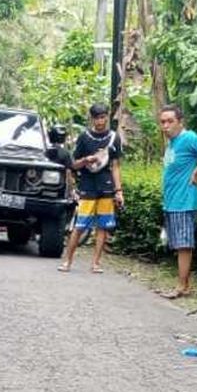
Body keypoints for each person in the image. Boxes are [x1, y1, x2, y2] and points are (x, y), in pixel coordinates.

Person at [158, 104, 197, 298]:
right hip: (173, 200)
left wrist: (196, 171)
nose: (166, 126)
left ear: (180, 122)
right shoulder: (173, 143)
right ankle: (184, 284)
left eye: (170, 121)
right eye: (162, 122)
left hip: (184, 201)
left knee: (184, 245)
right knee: (179, 244)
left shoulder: (188, 138)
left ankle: (182, 287)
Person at [59, 104, 123, 274]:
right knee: (80, 226)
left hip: (106, 187)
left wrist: (119, 190)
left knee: (103, 227)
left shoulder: (114, 138)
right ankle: (67, 261)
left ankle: (96, 263)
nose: (100, 121)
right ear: (92, 118)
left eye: (103, 117)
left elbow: (116, 166)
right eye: (97, 118)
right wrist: (87, 160)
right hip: (87, 186)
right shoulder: (84, 138)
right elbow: (73, 164)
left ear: (107, 117)